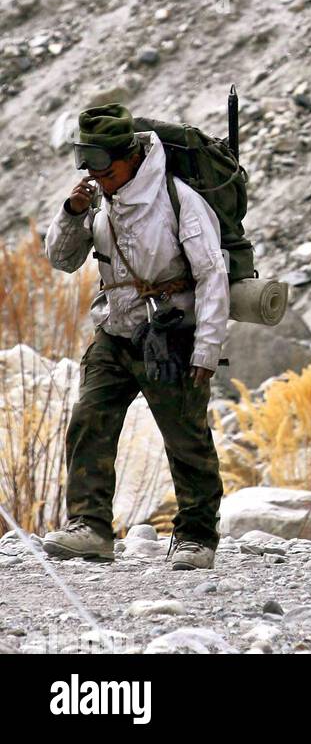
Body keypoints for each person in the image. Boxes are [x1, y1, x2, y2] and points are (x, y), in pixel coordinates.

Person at [41, 105, 228, 570]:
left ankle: (197, 537)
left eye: (103, 165)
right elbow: (62, 260)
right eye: (89, 165)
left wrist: (206, 349)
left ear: (130, 156)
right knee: (89, 419)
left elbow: (211, 275)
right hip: (114, 331)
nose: (96, 175)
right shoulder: (99, 204)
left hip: (169, 335)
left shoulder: (179, 200)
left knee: (185, 437)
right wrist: (71, 213)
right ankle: (90, 526)